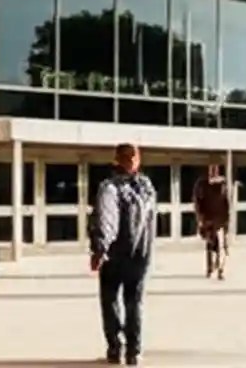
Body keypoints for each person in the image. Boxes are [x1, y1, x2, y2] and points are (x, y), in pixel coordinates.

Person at [90, 143, 157, 366]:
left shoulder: (110, 187)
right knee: (134, 301)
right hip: (140, 254)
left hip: (116, 255)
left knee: (111, 301)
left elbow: (107, 220)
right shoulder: (146, 188)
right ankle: (133, 351)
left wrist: (100, 248)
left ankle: (115, 348)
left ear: (116, 160)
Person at [192, 163, 231, 279]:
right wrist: (200, 218)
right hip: (209, 220)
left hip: (221, 220)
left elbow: (226, 202)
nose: (213, 172)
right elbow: (198, 202)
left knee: (222, 246)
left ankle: (220, 269)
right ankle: (210, 268)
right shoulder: (203, 185)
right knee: (211, 245)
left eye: (215, 170)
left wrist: (227, 219)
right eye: (211, 170)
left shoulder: (222, 185)